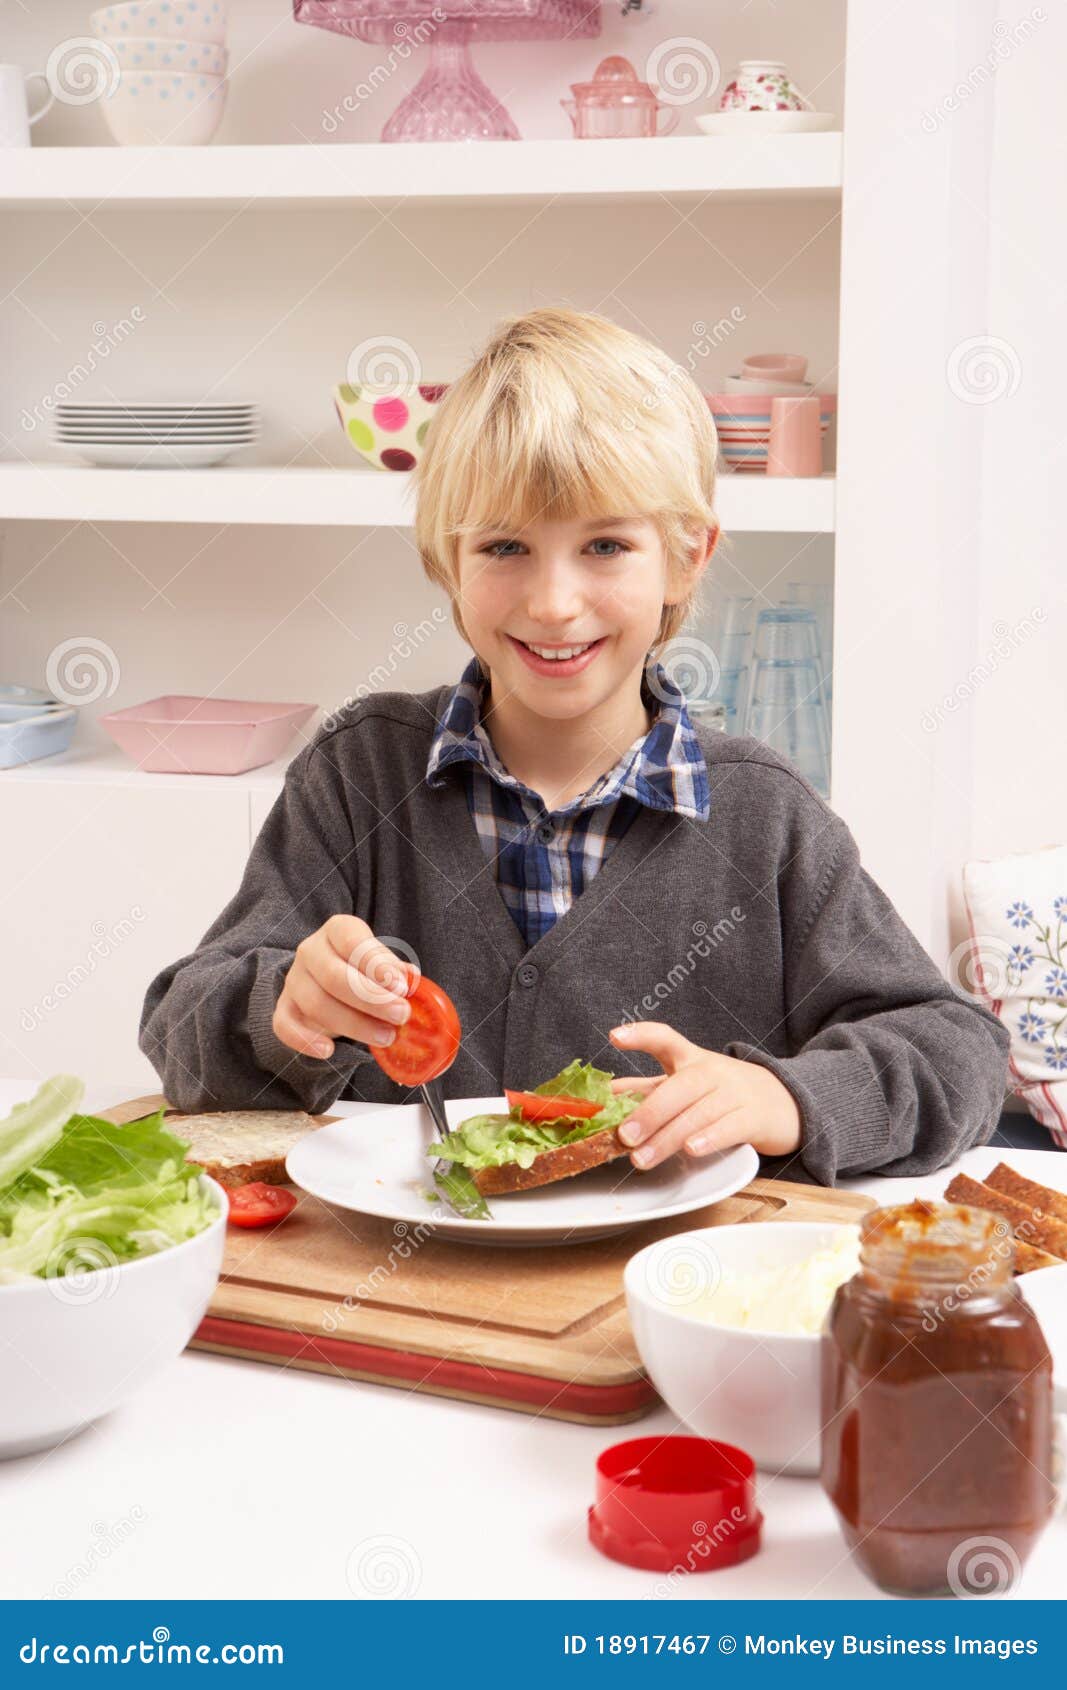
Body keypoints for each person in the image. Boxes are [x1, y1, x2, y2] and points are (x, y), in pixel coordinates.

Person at [140, 308, 1009, 1184]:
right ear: (446, 560)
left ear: (685, 558)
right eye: (506, 546)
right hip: (406, 1289)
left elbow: (955, 1052)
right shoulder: (361, 771)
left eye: (604, 545)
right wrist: (282, 1006)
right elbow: (181, 1037)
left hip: (668, 1291)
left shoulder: (762, 814)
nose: (554, 603)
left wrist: (789, 1098)